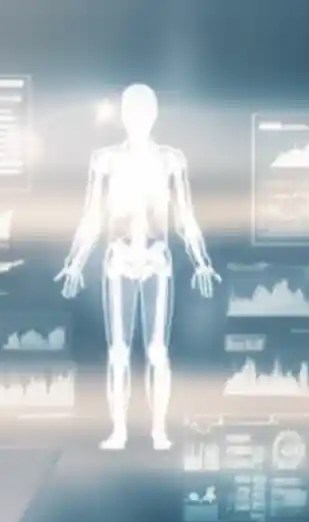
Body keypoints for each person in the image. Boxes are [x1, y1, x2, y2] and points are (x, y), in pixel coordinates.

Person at [54, 83, 219, 452]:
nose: (139, 119)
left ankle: (158, 430)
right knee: (118, 352)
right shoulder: (106, 160)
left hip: (157, 259)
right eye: (133, 111)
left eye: (145, 111)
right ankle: (120, 431)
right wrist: (75, 262)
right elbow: (93, 216)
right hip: (119, 259)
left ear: (154, 114)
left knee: (158, 350)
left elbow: (185, 216)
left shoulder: (171, 159)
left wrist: (201, 261)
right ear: (124, 116)